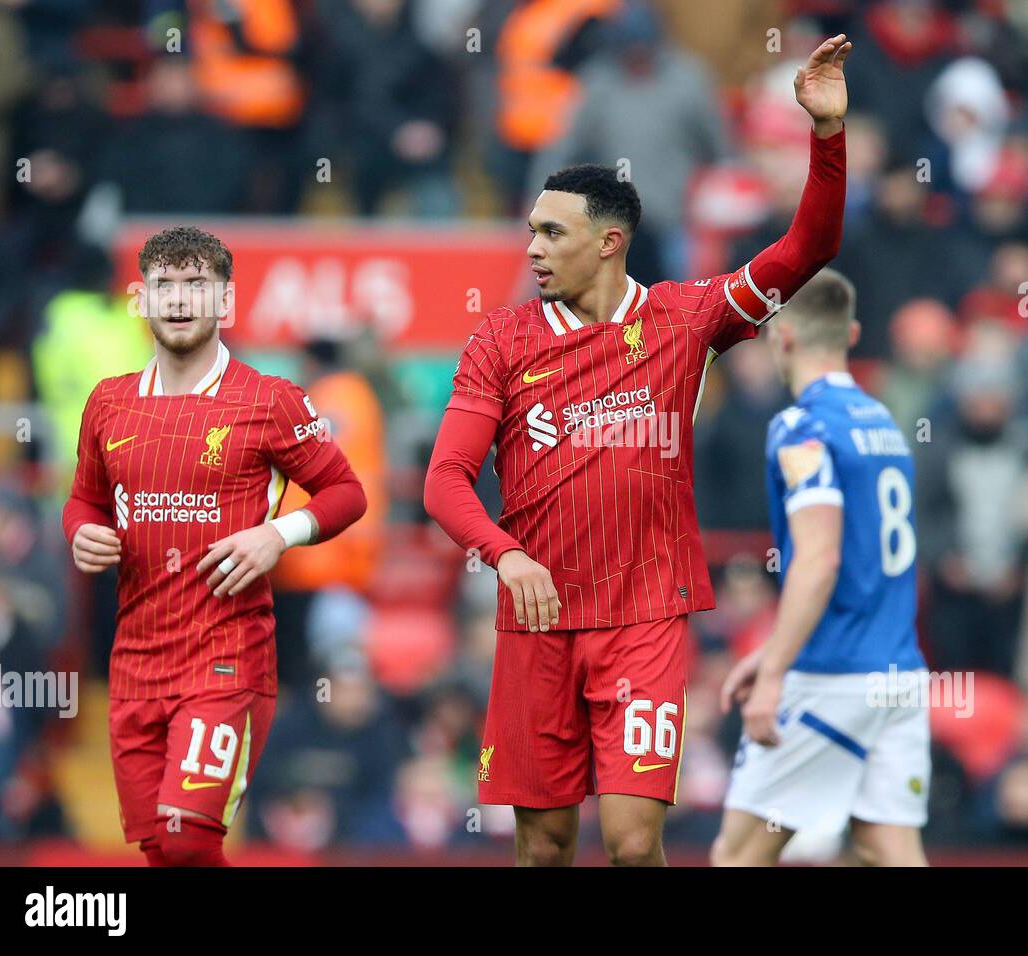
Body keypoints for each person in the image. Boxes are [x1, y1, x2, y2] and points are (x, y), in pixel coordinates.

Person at [424, 33, 852, 866]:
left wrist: (826, 138)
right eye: (531, 231)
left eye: (552, 233)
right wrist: (506, 557)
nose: (533, 249)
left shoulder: (685, 319)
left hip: (645, 620)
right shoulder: (501, 341)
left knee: (629, 840)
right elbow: (445, 480)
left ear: (609, 241)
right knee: (545, 848)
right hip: (535, 622)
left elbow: (810, 249)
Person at [62, 226, 367, 866]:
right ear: (140, 301)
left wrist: (275, 535)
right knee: (164, 852)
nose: (178, 300)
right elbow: (84, 499)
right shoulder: (108, 403)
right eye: (163, 286)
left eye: (195, 284)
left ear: (224, 303)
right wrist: (81, 532)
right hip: (135, 664)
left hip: (226, 658)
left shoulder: (270, 400)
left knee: (186, 835)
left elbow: (346, 492)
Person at [710, 269, 930, 867]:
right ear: (851, 332)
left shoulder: (802, 428)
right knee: (888, 849)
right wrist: (776, 648)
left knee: (737, 855)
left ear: (780, 337)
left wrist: (777, 667)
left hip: (833, 673)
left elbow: (821, 557)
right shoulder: (885, 426)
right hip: (898, 672)